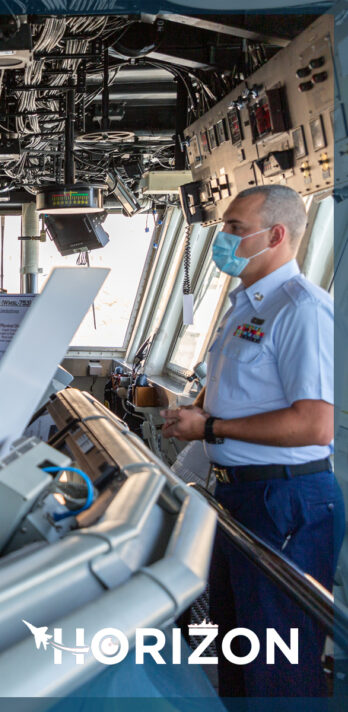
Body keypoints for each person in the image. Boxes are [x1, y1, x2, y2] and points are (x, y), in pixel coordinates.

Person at [160, 185, 341, 698]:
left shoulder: (303, 310)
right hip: (239, 499)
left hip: (285, 503)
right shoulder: (246, 305)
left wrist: (211, 429)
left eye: (236, 228)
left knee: (277, 671)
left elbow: (315, 425)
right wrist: (200, 412)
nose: (223, 238)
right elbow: (252, 394)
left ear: (277, 235)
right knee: (240, 660)